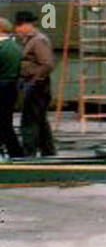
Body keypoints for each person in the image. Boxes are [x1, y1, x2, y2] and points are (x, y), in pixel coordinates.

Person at [14, 10, 56, 157]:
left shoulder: (38, 41)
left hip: (37, 86)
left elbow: (47, 64)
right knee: (40, 120)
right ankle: (48, 151)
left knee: (29, 122)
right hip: (36, 84)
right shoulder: (31, 40)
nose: (17, 30)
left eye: (19, 26)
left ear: (26, 25)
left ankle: (29, 153)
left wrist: (33, 81)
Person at [0, 18, 23, 159]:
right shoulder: (15, 46)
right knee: (5, 122)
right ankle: (15, 153)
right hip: (10, 87)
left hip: (2, 87)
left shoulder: (3, 48)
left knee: (4, 124)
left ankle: (15, 153)